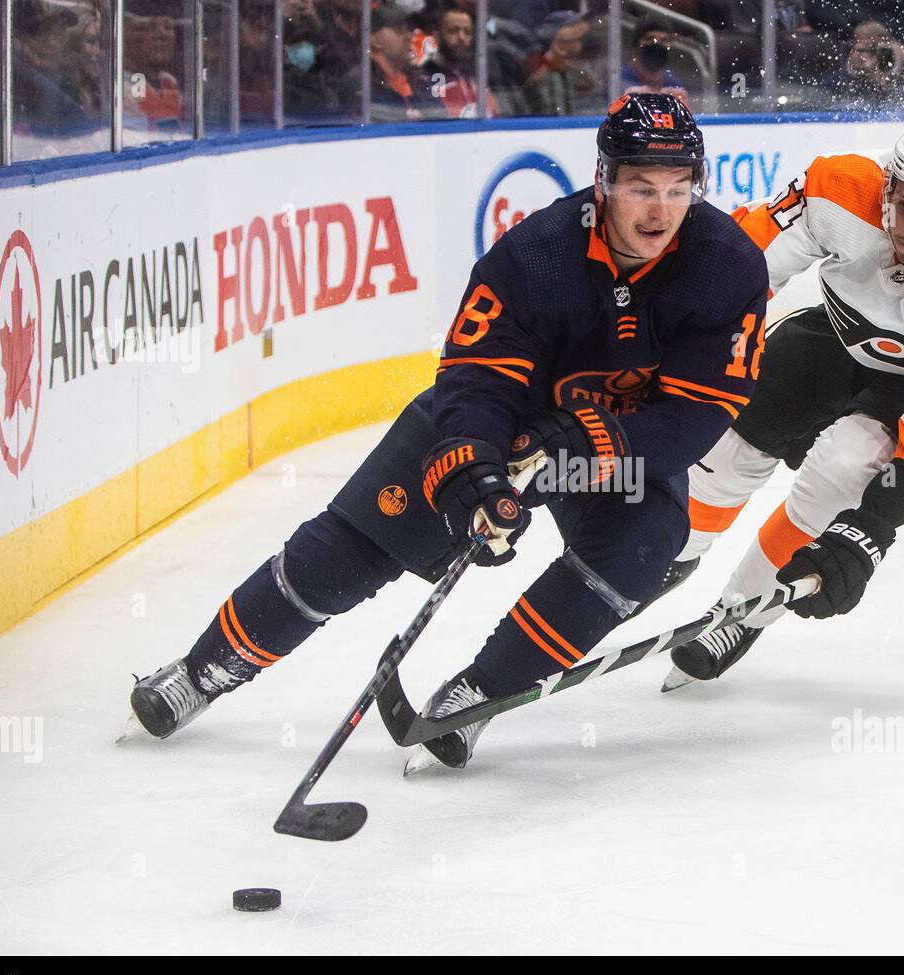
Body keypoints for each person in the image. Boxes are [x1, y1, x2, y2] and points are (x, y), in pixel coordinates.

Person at [129, 94, 770, 771]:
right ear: (605, 180)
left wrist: (587, 446)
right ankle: (204, 669)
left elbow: (694, 415)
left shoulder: (726, 265)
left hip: (610, 448)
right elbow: (477, 381)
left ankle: (478, 694)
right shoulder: (537, 254)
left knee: (641, 545)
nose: (661, 211)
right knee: (350, 548)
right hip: (506, 427)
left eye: (678, 190)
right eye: (642, 188)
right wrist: (473, 474)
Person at [661, 111, 904, 686]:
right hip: (853, 329)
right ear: (888, 184)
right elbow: (737, 270)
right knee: (729, 448)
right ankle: (662, 552)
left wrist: (869, 530)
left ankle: (742, 610)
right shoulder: (839, 190)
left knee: (843, 466)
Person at [419, 5, 495, 117]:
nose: (461, 37)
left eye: (467, 32)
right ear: (437, 36)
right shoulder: (425, 79)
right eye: (453, 31)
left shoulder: (479, 77)